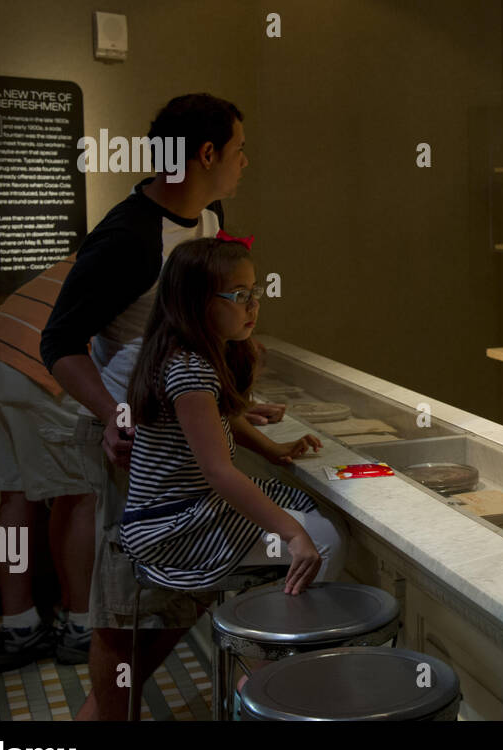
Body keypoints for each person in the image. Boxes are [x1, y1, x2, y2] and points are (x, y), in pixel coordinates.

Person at [41, 93, 284, 719]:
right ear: (206, 154)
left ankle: (106, 706)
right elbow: (60, 343)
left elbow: (199, 324)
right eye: (238, 151)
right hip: (131, 438)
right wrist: (109, 414)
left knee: (184, 585)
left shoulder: (209, 214)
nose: (245, 163)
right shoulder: (127, 237)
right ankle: (103, 712)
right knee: (122, 606)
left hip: (178, 428)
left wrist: (226, 402)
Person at [119, 236, 341, 593]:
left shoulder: (185, 355)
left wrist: (271, 449)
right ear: (196, 303)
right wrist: (293, 534)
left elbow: (217, 420)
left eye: (255, 293)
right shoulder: (191, 371)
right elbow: (218, 471)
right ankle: (287, 645)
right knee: (324, 538)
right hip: (171, 526)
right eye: (240, 295)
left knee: (305, 509)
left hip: (180, 512)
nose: (253, 305)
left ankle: (281, 630)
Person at [0, 257, 95, 669]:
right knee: (80, 492)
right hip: (40, 364)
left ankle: (19, 626)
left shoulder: (105, 245)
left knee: (17, 492)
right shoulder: (161, 265)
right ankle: (80, 623)